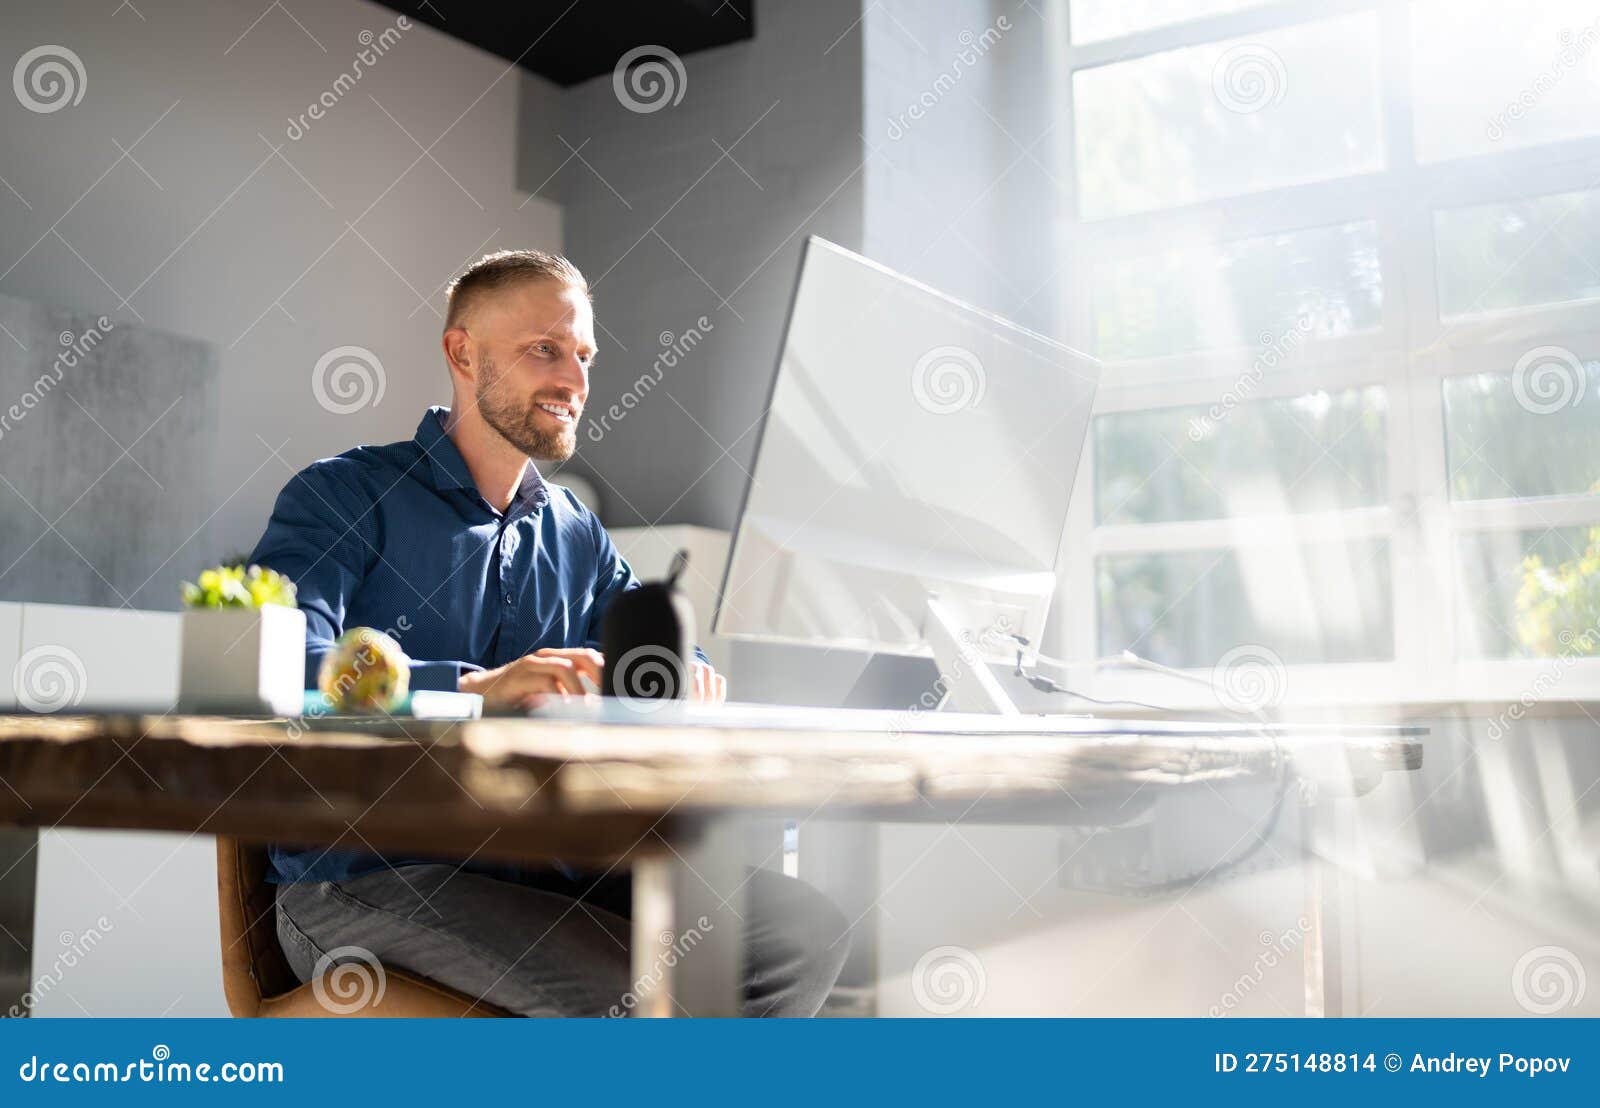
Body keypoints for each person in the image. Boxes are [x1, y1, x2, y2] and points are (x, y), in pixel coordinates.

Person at [250, 249, 848, 1016]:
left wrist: (680, 672)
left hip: (538, 869)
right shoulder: (343, 494)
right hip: (364, 877)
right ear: (462, 352)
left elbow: (659, 650)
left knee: (800, 933)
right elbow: (287, 676)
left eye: (584, 355)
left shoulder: (575, 532)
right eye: (545, 349)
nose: (575, 379)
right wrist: (474, 691)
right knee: (630, 1004)